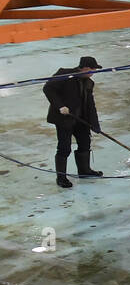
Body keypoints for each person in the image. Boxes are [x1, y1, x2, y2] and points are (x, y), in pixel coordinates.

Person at [44, 56, 104, 189]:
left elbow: (90, 105)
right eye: (93, 69)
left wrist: (95, 125)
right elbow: (48, 89)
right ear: (86, 68)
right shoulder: (64, 74)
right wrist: (60, 106)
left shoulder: (89, 83)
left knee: (85, 143)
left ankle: (84, 171)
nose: (93, 72)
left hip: (81, 120)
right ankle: (61, 177)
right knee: (64, 148)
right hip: (65, 119)